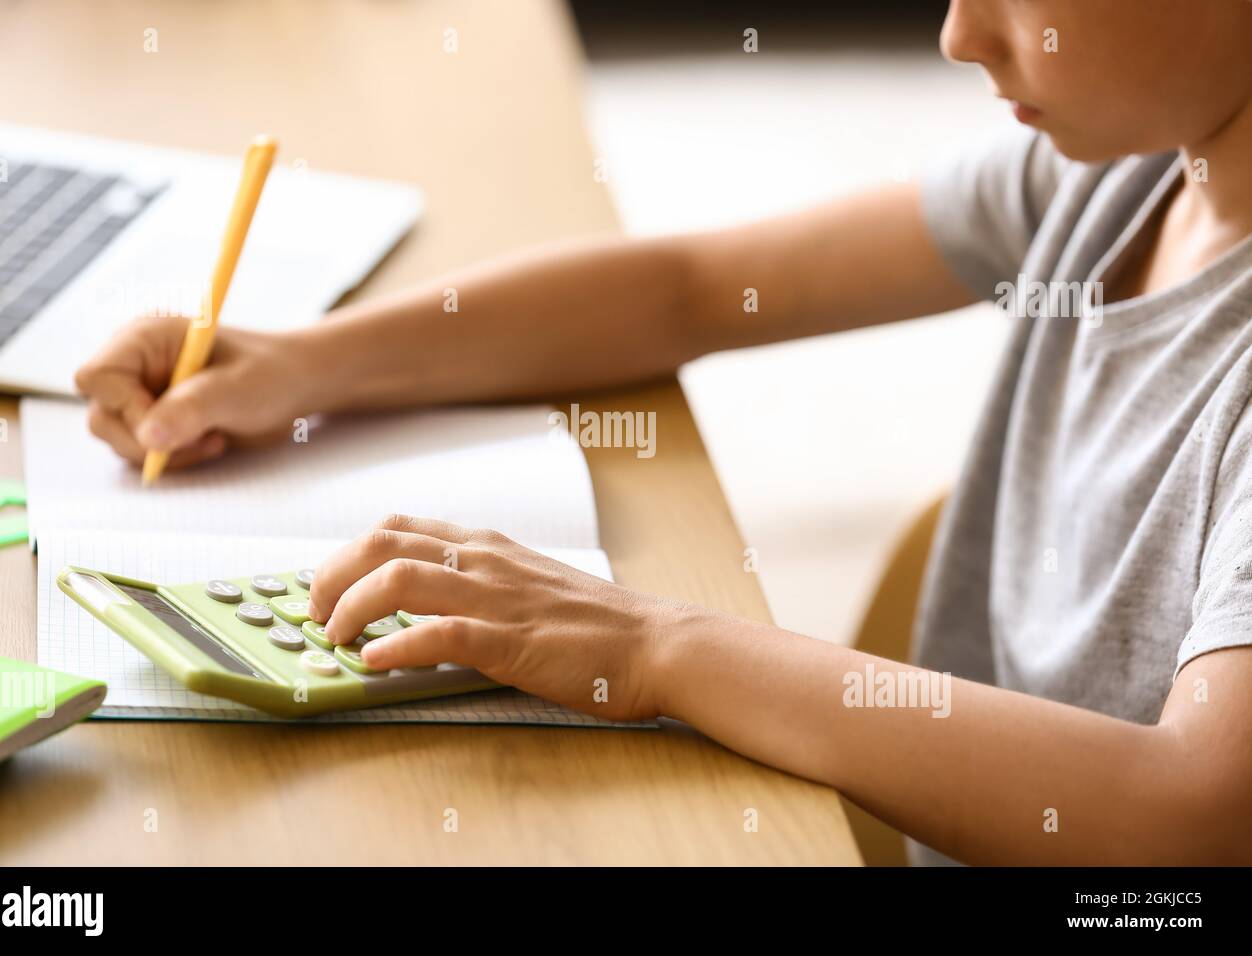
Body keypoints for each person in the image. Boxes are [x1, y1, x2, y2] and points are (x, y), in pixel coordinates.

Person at [74, 1, 1252, 864]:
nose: (955, 35)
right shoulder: (1131, 170)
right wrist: (300, 365)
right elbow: (690, 287)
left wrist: (652, 645)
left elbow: (1189, 813)